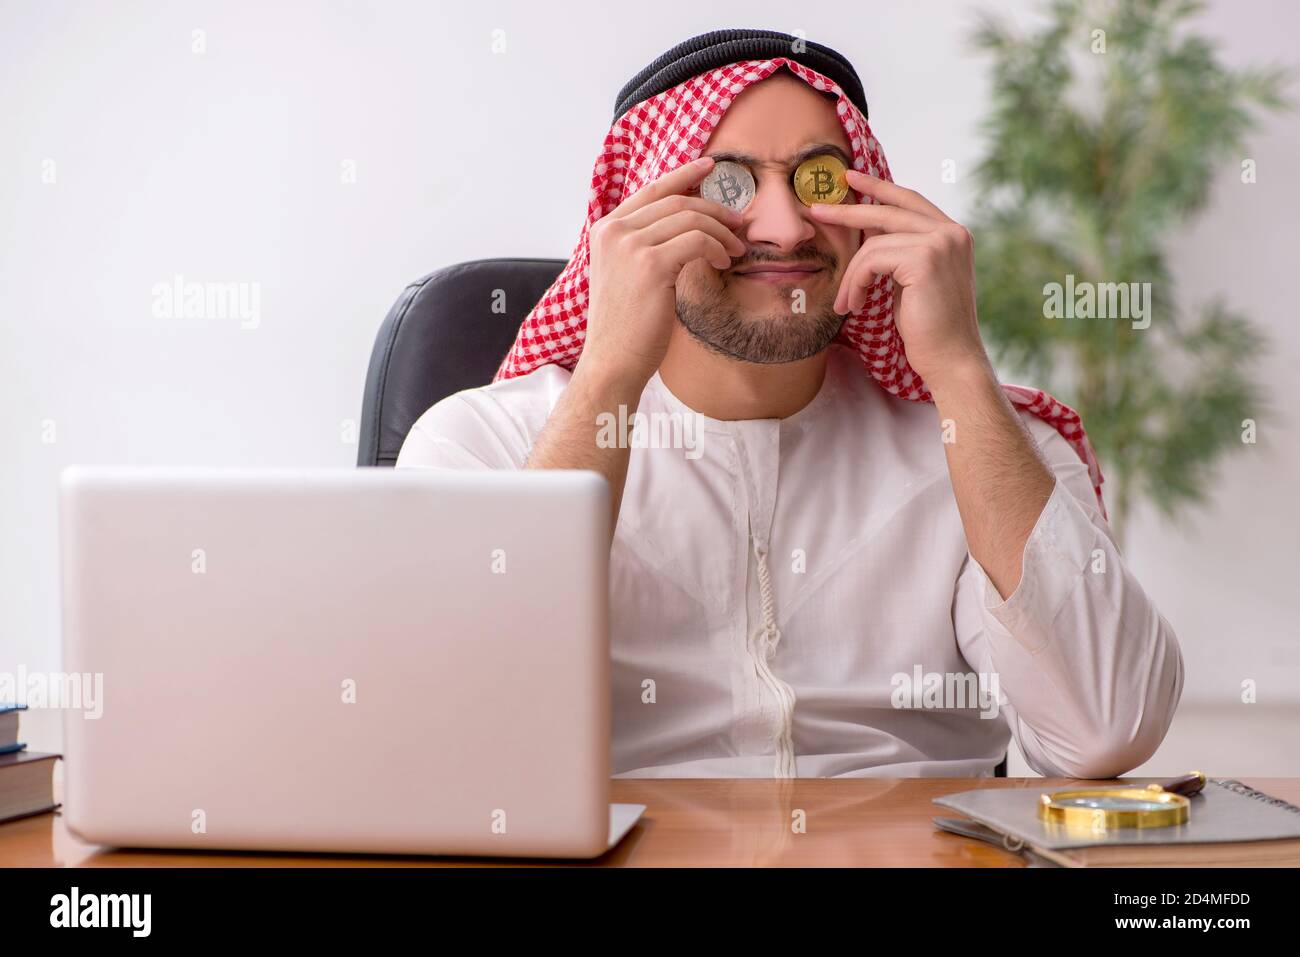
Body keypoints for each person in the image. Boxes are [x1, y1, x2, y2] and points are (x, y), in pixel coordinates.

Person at [396, 29, 1183, 778]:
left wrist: (960, 370)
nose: (782, 225)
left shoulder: (983, 443)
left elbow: (1106, 730)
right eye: (726, 183)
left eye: (821, 179)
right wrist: (607, 375)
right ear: (637, 218)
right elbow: (463, 731)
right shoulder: (482, 447)